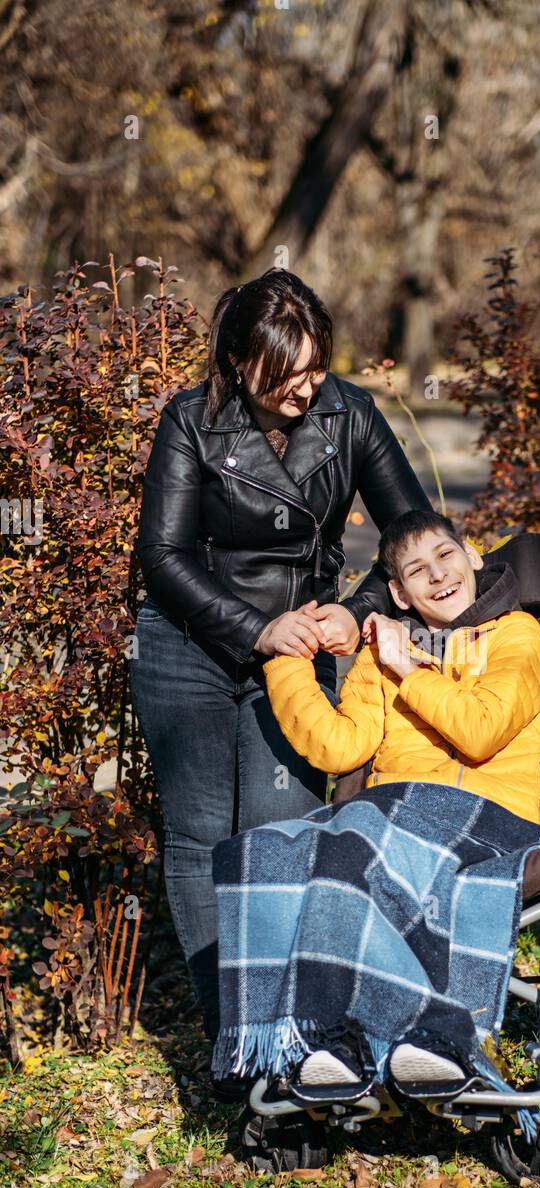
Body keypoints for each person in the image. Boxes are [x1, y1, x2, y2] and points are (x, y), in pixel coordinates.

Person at [130, 268, 434, 1047]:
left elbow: (413, 528)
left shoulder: (351, 413)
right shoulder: (190, 420)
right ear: (237, 362)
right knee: (200, 839)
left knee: (281, 841)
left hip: (299, 656)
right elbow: (162, 557)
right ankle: (235, 1036)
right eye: (282, 373)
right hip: (191, 642)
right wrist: (253, 629)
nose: (303, 388)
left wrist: (358, 607)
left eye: (314, 366)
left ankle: (287, 1031)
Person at [210, 509, 540, 1103]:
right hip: (400, 818)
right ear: (398, 591)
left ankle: (433, 1033)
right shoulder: (379, 655)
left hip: (497, 822)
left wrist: (409, 670)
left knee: (356, 840)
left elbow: (481, 729)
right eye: (417, 572)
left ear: (472, 556)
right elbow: (341, 746)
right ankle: (336, 1042)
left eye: (446, 557)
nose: (438, 577)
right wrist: (288, 662)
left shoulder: (517, 634)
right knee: (281, 849)